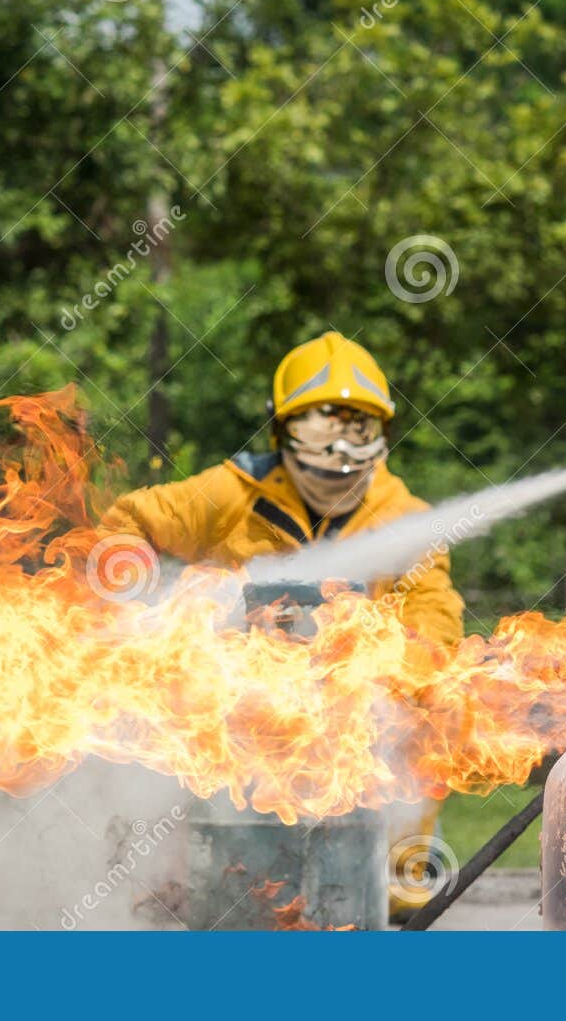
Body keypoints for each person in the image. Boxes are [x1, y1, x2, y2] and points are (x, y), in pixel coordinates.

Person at [100, 330, 464, 918]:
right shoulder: (230, 493)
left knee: (387, 893)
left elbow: (434, 620)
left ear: (383, 435)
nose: (338, 454)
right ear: (280, 431)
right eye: (318, 430)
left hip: (358, 732)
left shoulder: (408, 521)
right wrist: (153, 604)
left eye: (357, 430)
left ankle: (381, 882)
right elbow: (128, 526)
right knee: (209, 888)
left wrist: (390, 671)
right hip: (238, 726)